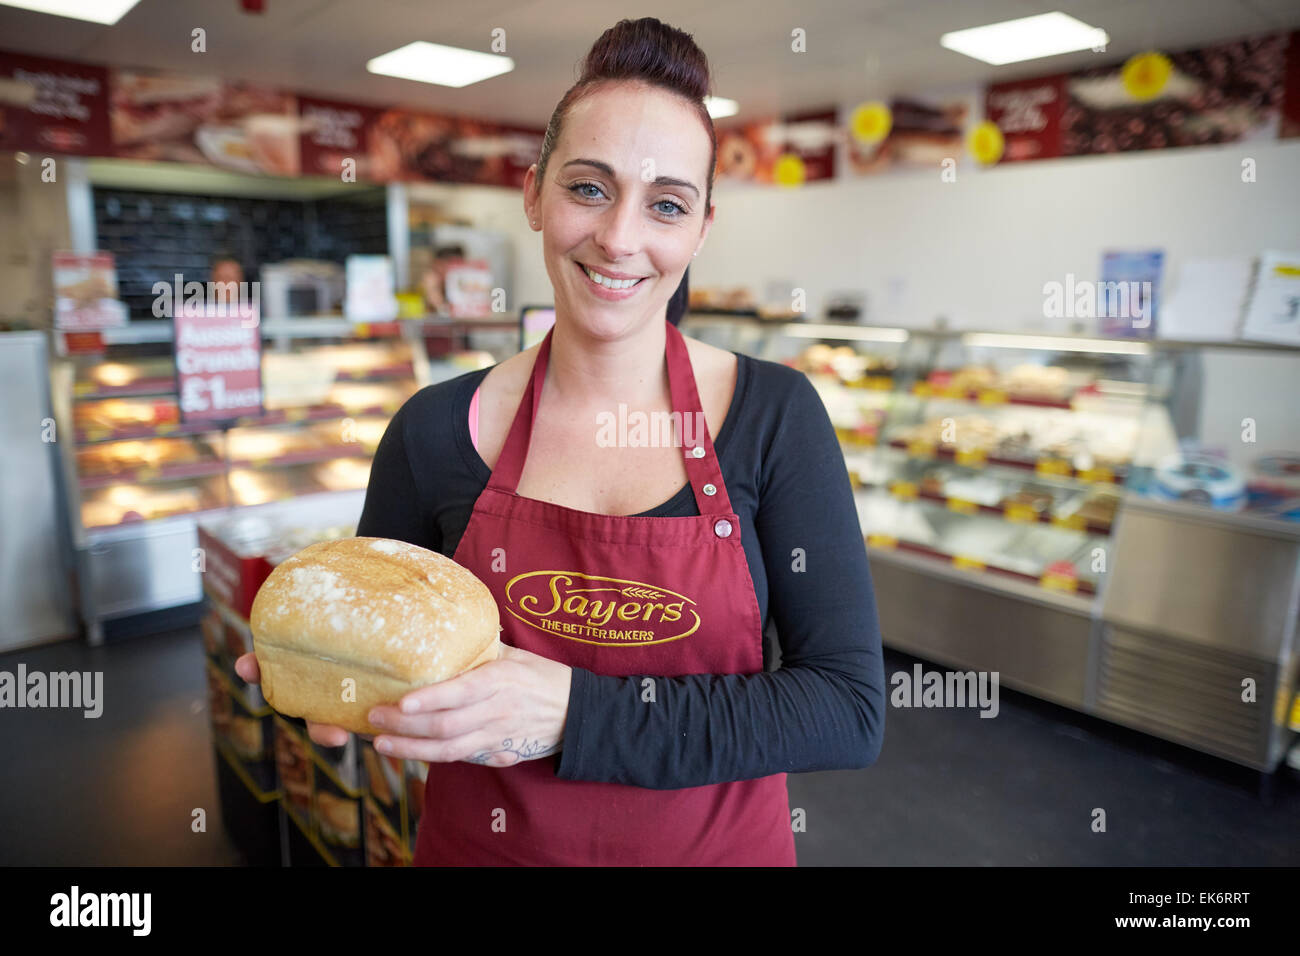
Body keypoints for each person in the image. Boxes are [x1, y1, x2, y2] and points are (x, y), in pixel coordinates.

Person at [237, 17, 884, 866]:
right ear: (536, 192)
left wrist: (576, 713)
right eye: (588, 188)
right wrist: (343, 694)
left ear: (700, 228)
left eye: (665, 204)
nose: (619, 238)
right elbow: (372, 651)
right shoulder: (433, 431)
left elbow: (846, 709)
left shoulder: (775, 417)